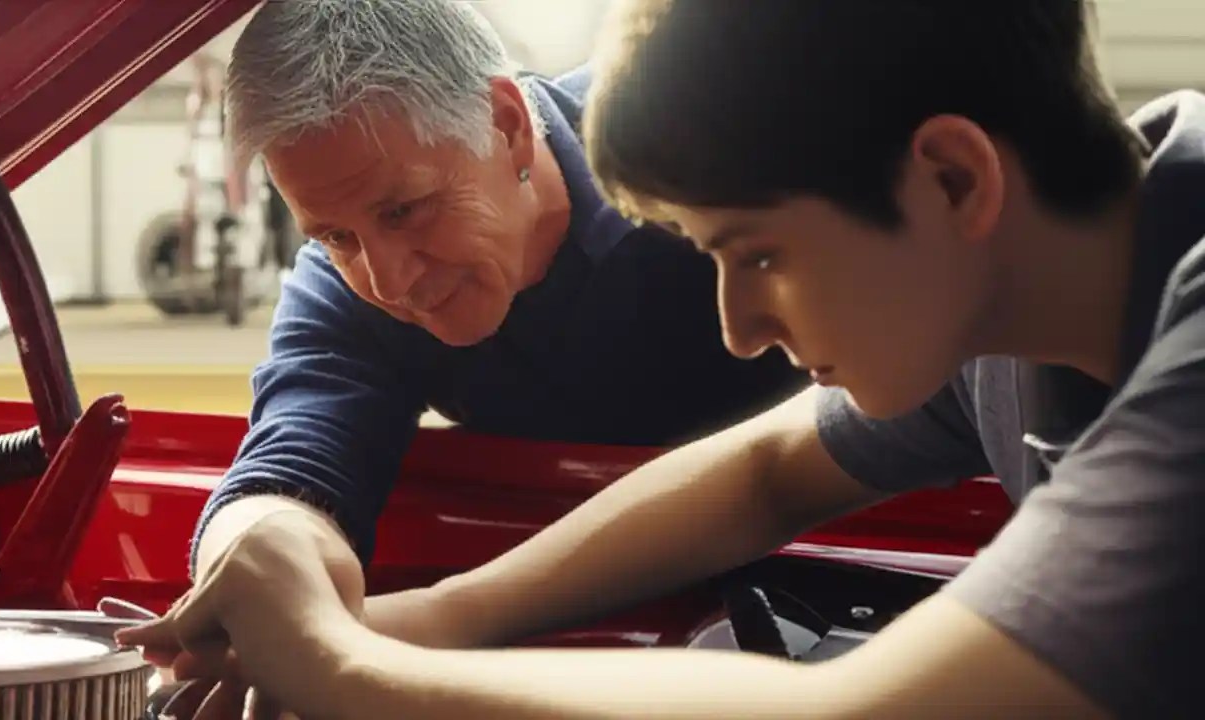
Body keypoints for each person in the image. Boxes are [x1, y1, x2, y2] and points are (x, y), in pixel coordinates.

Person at [119, 0, 1205, 717]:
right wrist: (420, 615)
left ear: (953, 183)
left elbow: (869, 710)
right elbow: (760, 469)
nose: (737, 328)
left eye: (759, 254)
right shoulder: (992, 327)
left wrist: (348, 669)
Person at [186, 0, 805, 667]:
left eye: (404, 211)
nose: (387, 281)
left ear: (507, 126)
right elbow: (292, 460)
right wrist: (257, 542)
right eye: (336, 237)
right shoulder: (349, 288)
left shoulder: (707, 131)